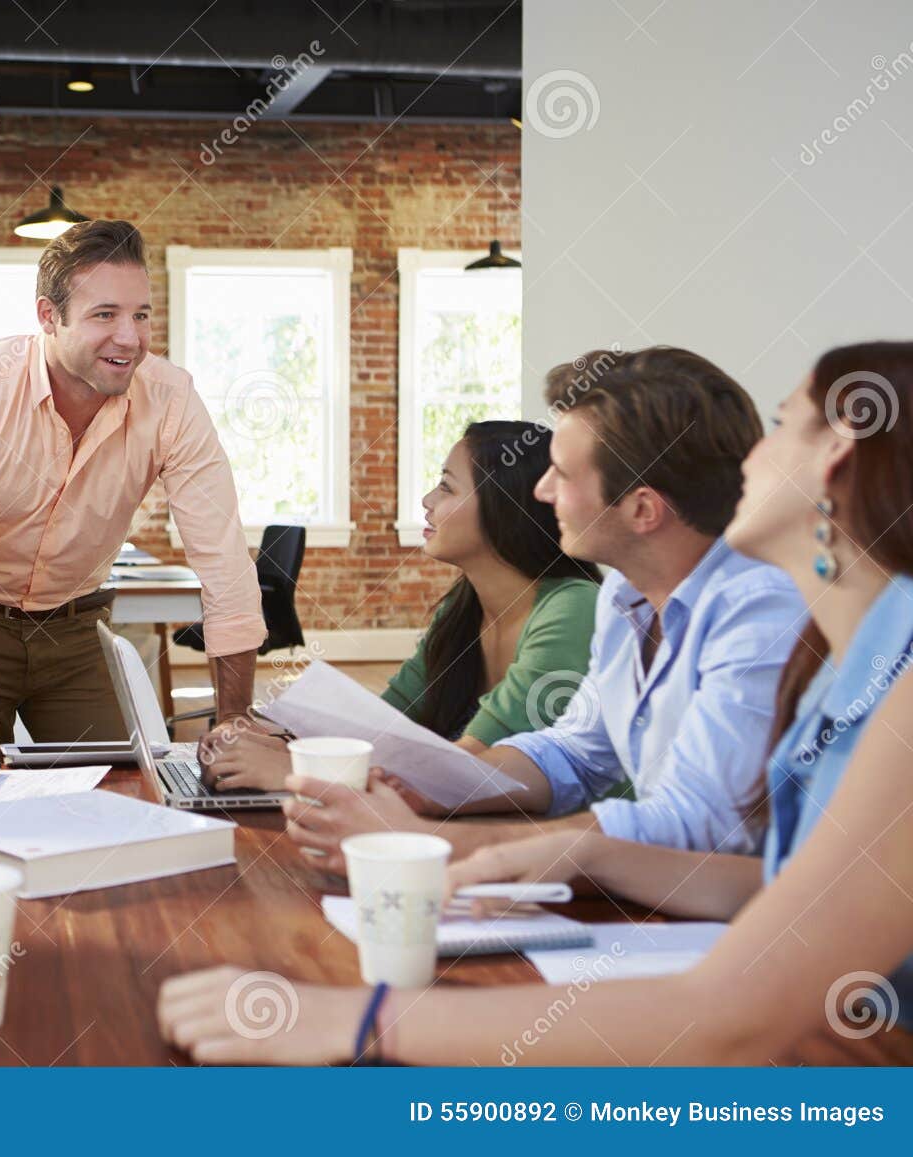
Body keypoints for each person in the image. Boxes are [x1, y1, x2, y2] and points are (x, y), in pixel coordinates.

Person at [159, 341, 913, 1063]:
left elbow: (730, 989)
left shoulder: (839, 649)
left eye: (782, 425)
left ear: (838, 455)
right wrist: (518, 824)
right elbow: (770, 878)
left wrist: (362, 1007)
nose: (751, 455)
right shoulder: (819, 653)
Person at [283, 347, 807, 868]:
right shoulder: (624, 598)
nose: (542, 489)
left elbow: (697, 825)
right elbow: (576, 752)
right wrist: (439, 792)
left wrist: (427, 839)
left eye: (562, 473)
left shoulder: (759, 612)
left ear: (642, 509)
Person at [0, 219, 267, 761]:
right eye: (104, 315)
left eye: (141, 314)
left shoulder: (172, 402)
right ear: (48, 316)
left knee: (127, 789)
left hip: (76, 628)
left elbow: (225, 567)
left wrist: (233, 720)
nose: (130, 337)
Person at [200, 421, 599, 793]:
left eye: (446, 486)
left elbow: (472, 768)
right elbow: (385, 726)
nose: (427, 500)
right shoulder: (463, 611)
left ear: (504, 505)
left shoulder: (572, 607)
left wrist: (296, 771)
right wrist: (279, 744)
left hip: (571, 853)